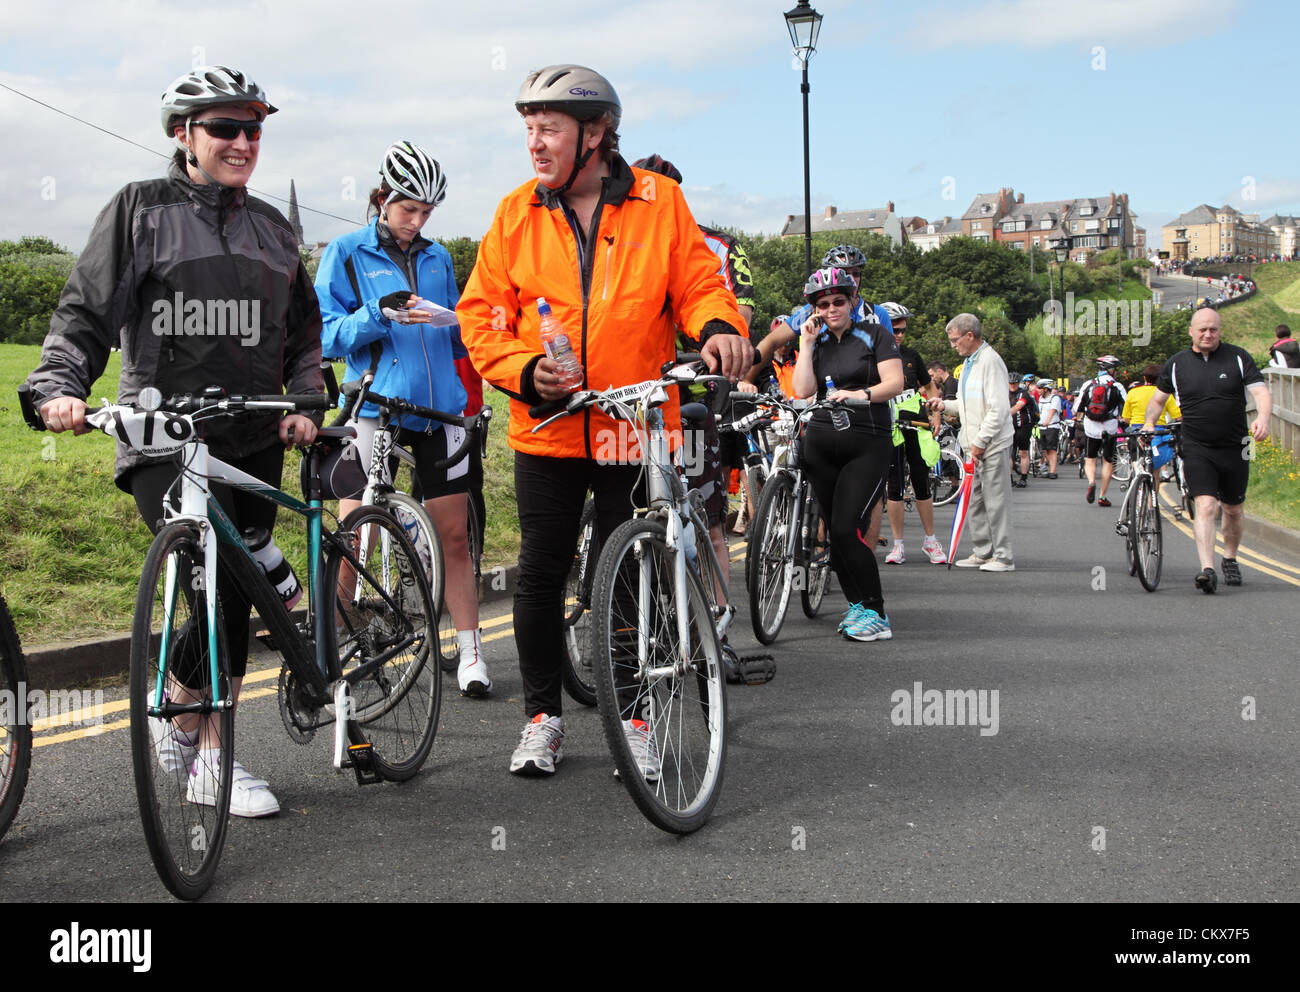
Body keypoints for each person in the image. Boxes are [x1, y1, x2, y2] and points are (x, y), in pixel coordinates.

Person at [26, 65, 324, 817]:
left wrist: (305, 402)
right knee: (210, 579)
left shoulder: (275, 229)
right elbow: (86, 312)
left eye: (253, 129)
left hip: (253, 438)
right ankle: (212, 757)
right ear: (184, 135)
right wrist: (58, 386)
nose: (242, 142)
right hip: (164, 439)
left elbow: (302, 335)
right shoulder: (140, 210)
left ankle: (185, 708)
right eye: (225, 128)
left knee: (236, 589)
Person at [456, 65, 750, 776]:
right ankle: (541, 719)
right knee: (541, 572)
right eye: (529, 129)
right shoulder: (515, 213)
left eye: (548, 129)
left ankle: (637, 719)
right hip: (549, 426)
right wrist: (527, 369)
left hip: (633, 423)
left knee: (631, 577)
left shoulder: (659, 201)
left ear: (595, 134)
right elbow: (482, 317)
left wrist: (718, 327)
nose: (534, 143)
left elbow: (699, 284)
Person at [315, 141, 489, 698]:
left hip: (439, 412)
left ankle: (471, 653)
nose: (417, 222)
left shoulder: (438, 258)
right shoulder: (346, 252)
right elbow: (323, 337)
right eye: (408, 209)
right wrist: (377, 313)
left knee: (454, 536)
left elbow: (458, 336)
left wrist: (467, 323)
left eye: (427, 212)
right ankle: (328, 656)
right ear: (382, 199)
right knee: (355, 536)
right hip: (376, 410)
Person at [629, 153, 771, 685]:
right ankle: (627, 630)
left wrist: (714, 345)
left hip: (690, 396)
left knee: (706, 520)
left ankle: (719, 634)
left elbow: (737, 320)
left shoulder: (719, 246)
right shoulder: (611, 238)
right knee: (627, 514)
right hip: (630, 398)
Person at [791, 267, 904, 640]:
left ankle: (877, 612)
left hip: (867, 440)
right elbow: (803, 390)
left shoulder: (875, 334)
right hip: (822, 442)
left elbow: (895, 382)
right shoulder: (817, 340)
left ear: (852, 301)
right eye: (823, 304)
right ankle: (858, 605)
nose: (831, 309)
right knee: (833, 534)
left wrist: (860, 394)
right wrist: (806, 345)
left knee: (846, 528)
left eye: (838, 301)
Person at [1144, 308, 1273, 593]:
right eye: (1202, 329)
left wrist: (1263, 418)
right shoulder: (1176, 364)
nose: (1208, 334)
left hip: (1238, 445)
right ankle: (1207, 569)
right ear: (1191, 331)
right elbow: (1157, 400)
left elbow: (1261, 392)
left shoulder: (1238, 357)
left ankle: (1230, 558)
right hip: (1196, 445)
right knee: (1205, 505)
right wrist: (1150, 422)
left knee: (1233, 508)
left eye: (1213, 329)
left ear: (1220, 331)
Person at [926, 314, 1015, 571]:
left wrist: (981, 440)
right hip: (974, 443)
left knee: (996, 501)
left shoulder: (990, 362)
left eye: (955, 340)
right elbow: (967, 404)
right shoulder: (969, 364)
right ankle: (983, 551)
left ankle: (1003, 556)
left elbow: (999, 409)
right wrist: (944, 405)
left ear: (970, 335)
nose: (953, 345)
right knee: (976, 500)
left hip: (990, 443)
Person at [878, 302, 945, 565]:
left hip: (915, 420)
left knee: (921, 479)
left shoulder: (911, 355)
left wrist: (936, 414)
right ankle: (898, 545)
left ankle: (931, 541)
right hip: (889, 421)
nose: (899, 335)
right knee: (894, 484)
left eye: (903, 330)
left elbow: (929, 386)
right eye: (894, 330)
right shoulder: (873, 354)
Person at [1076, 355, 1128, 507]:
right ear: (1110, 370)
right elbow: (1126, 406)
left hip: (1091, 427)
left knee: (1090, 459)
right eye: (1115, 369)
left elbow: (1076, 408)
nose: (1116, 372)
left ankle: (1092, 482)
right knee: (1107, 460)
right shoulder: (1117, 386)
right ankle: (1102, 496)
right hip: (1110, 426)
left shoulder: (1088, 384)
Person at [1007, 372, 1039, 487]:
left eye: (1015, 383)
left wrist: (1003, 415)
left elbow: (1018, 406)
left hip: (1023, 426)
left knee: (1023, 452)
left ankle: (1023, 478)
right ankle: (1009, 479)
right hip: (1009, 427)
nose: (1013, 385)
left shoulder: (1023, 394)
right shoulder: (1004, 393)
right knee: (1009, 454)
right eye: (1010, 383)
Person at [1036, 379, 1063, 479]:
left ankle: (1053, 471)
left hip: (1052, 426)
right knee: (1045, 450)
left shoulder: (1055, 398)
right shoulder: (1040, 399)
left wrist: (1047, 421)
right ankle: (1049, 467)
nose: (1038, 390)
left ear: (1046, 389)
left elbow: (1052, 410)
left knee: (1051, 449)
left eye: (1040, 388)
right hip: (1041, 426)